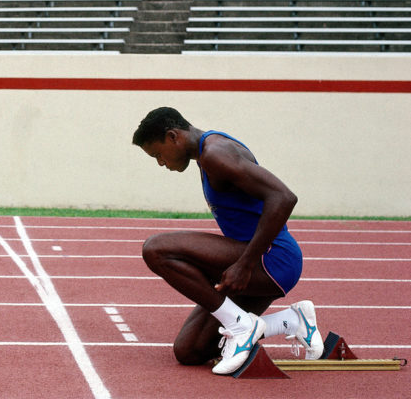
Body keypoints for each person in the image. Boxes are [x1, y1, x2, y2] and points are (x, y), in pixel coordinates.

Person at [131, 107, 323, 375]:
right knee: (189, 350)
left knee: (156, 249)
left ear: (173, 136)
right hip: (255, 261)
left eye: (157, 154)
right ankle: (292, 321)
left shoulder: (216, 154)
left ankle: (242, 326)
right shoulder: (205, 155)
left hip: (272, 259)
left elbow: (284, 197)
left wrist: (244, 264)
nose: (161, 163)